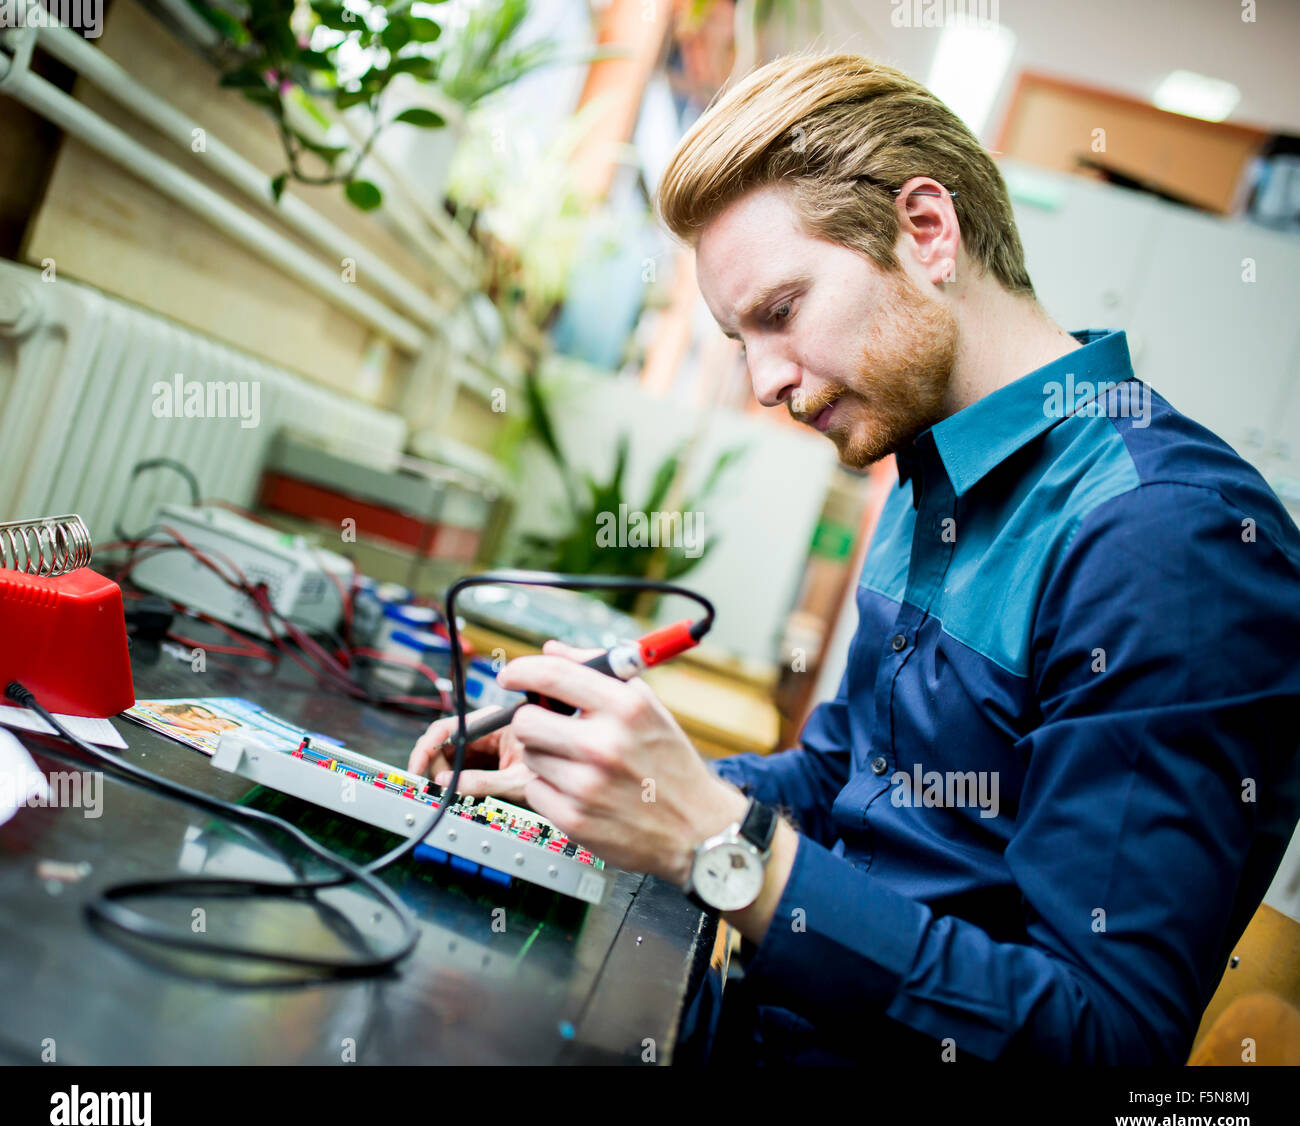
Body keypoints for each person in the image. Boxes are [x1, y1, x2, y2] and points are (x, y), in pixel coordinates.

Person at [409, 53, 1300, 1064]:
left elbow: (1102, 1041)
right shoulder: (927, 464)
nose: (765, 381)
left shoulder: (1167, 543)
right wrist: (625, 782)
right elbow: (844, 777)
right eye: (739, 337)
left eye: (780, 313)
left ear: (926, 231)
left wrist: (716, 844)